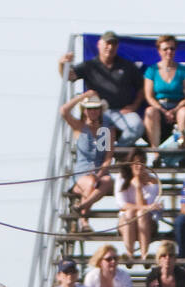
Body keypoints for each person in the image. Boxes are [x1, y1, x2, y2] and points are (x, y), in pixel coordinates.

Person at [58, 31, 144, 146]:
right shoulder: (89, 66)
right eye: (107, 43)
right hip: (98, 113)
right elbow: (68, 76)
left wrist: (134, 106)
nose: (110, 47)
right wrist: (61, 64)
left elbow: (142, 87)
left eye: (113, 44)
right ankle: (103, 158)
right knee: (98, 135)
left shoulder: (127, 65)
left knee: (136, 127)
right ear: (99, 44)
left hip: (123, 111)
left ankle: (117, 154)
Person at [60, 92, 115, 232]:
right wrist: (82, 96)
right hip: (82, 174)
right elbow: (64, 111)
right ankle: (84, 220)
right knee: (90, 182)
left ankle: (82, 207)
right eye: (90, 108)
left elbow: (108, 157)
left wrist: (100, 173)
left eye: (96, 108)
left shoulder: (105, 130)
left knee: (108, 181)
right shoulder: (79, 127)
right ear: (85, 110)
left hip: (100, 173)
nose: (93, 111)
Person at [143, 35, 185, 152]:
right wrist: (163, 110)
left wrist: (175, 110)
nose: (169, 52)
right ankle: (155, 151)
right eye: (165, 49)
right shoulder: (152, 70)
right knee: (150, 112)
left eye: (172, 49)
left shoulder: (183, 71)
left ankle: (183, 151)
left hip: (178, 105)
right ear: (159, 51)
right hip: (159, 106)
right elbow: (149, 96)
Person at [115, 149, 161, 260]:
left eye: (142, 162)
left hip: (147, 222)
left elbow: (148, 208)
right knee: (130, 213)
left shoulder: (153, 181)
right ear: (130, 164)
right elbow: (123, 205)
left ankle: (144, 254)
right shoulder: (121, 178)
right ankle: (129, 253)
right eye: (135, 163)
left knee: (141, 213)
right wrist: (145, 207)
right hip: (127, 221)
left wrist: (138, 187)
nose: (139, 166)